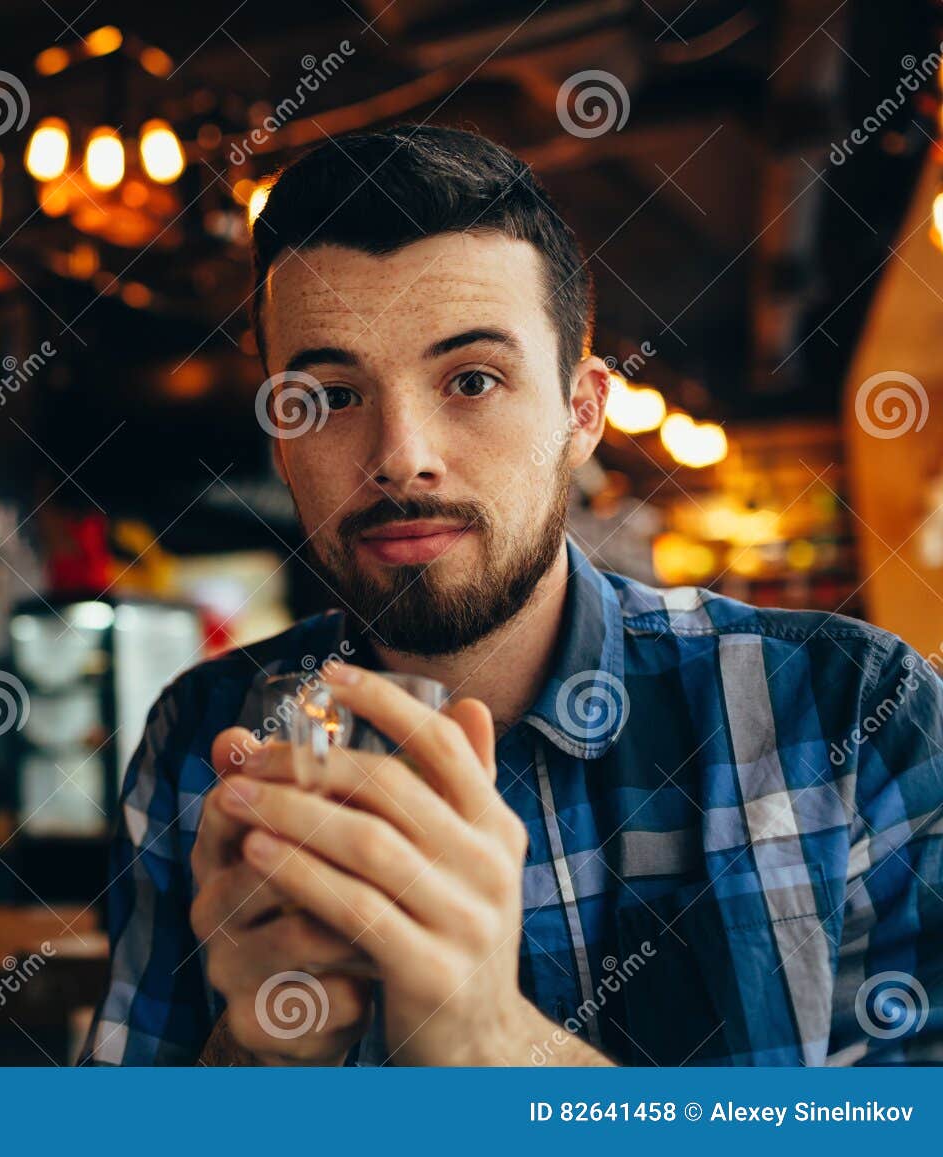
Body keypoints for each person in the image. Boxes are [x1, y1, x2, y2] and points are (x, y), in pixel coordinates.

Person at [79, 125, 943, 1066]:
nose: (401, 456)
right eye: (330, 395)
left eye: (473, 379)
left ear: (582, 414)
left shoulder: (851, 708)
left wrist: (491, 1042)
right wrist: (260, 1059)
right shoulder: (204, 740)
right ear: (283, 441)